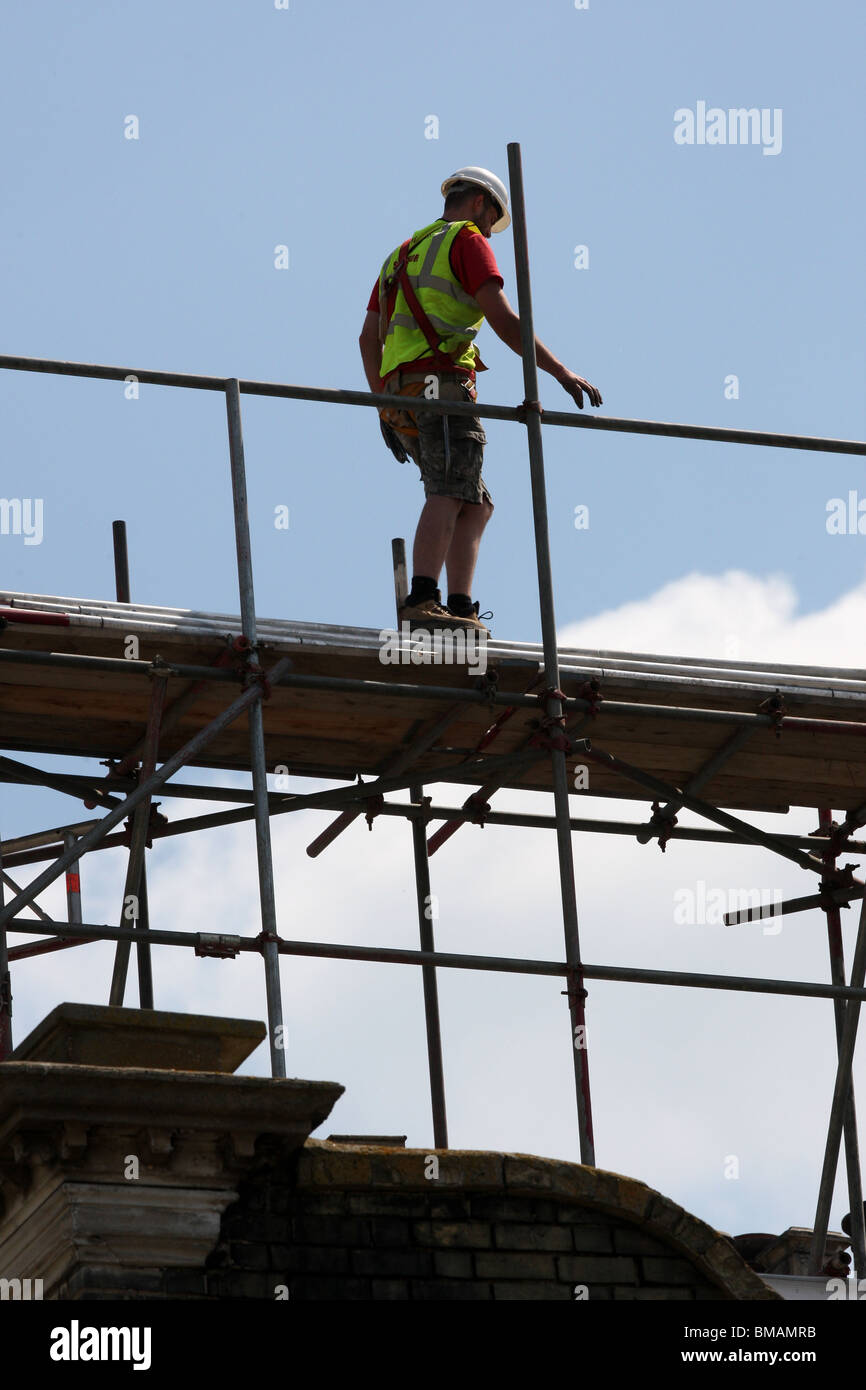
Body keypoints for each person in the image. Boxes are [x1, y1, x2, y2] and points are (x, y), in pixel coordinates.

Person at [359, 166, 602, 632]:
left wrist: (383, 405)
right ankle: (423, 601)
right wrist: (560, 372)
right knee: (450, 489)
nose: (491, 230)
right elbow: (504, 320)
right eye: (493, 218)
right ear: (478, 203)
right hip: (441, 384)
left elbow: (367, 338)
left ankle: (459, 606)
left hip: (401, 390)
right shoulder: (467, 240)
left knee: (475, 502)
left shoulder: (402, 253)